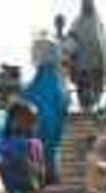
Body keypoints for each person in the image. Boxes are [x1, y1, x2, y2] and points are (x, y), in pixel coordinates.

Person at [22, 35, 69, 184]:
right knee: (51, 149)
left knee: (40, 150)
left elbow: (28, 97)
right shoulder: (56, 79)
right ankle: (51, 174)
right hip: (52, 122)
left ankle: (43, 175)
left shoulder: (41, 79)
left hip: (39, 122)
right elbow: (63, 102)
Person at [65, 0, 106, 113]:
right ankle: (86, 112)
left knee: (97, 94)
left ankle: (94, 112)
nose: (88, 5)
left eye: (89, 2)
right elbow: (71, 40)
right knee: (85, 95)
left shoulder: (98, 22)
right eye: (85, 3)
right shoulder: (77, 22)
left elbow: (105, 45)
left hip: (98, 65)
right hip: (83, 66)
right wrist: (68, 54)